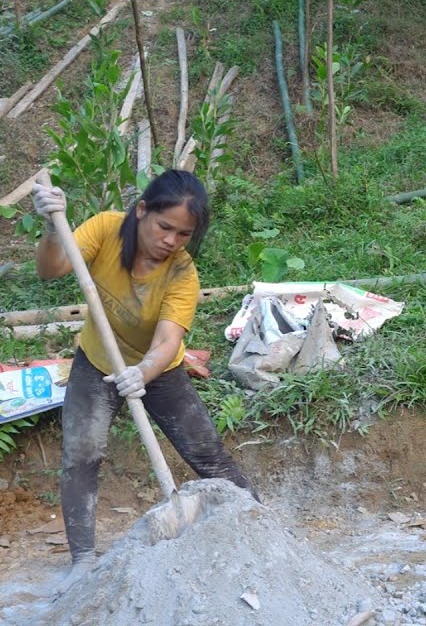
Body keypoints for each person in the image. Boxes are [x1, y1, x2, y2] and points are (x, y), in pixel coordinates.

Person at [31, 170, 258, 593]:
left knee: (208, 455)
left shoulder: (181, 275)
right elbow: (51, 269)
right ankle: (82, 560)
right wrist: (51, 229)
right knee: (81, 454)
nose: (171, 240)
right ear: (142, 212)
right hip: (98, 360)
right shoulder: (106, 229)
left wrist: (143, 372)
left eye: (183, 234)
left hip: (160, 369)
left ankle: (261, 531)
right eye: (164, 226)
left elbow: (168, 339)